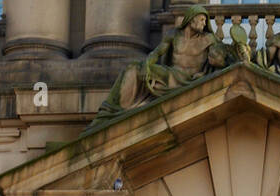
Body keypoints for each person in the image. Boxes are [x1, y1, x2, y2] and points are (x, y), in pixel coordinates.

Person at [95, 6, 230, 123]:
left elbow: (224, 56)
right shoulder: (173, 35)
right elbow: (157, 53)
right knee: (134, 68)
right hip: (171, 75)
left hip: (190, 79)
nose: (204, 23)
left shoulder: (209, 39)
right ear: (191, 19)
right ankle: (113, 110)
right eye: (201, 19)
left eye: (205, 21)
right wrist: (147, 65)